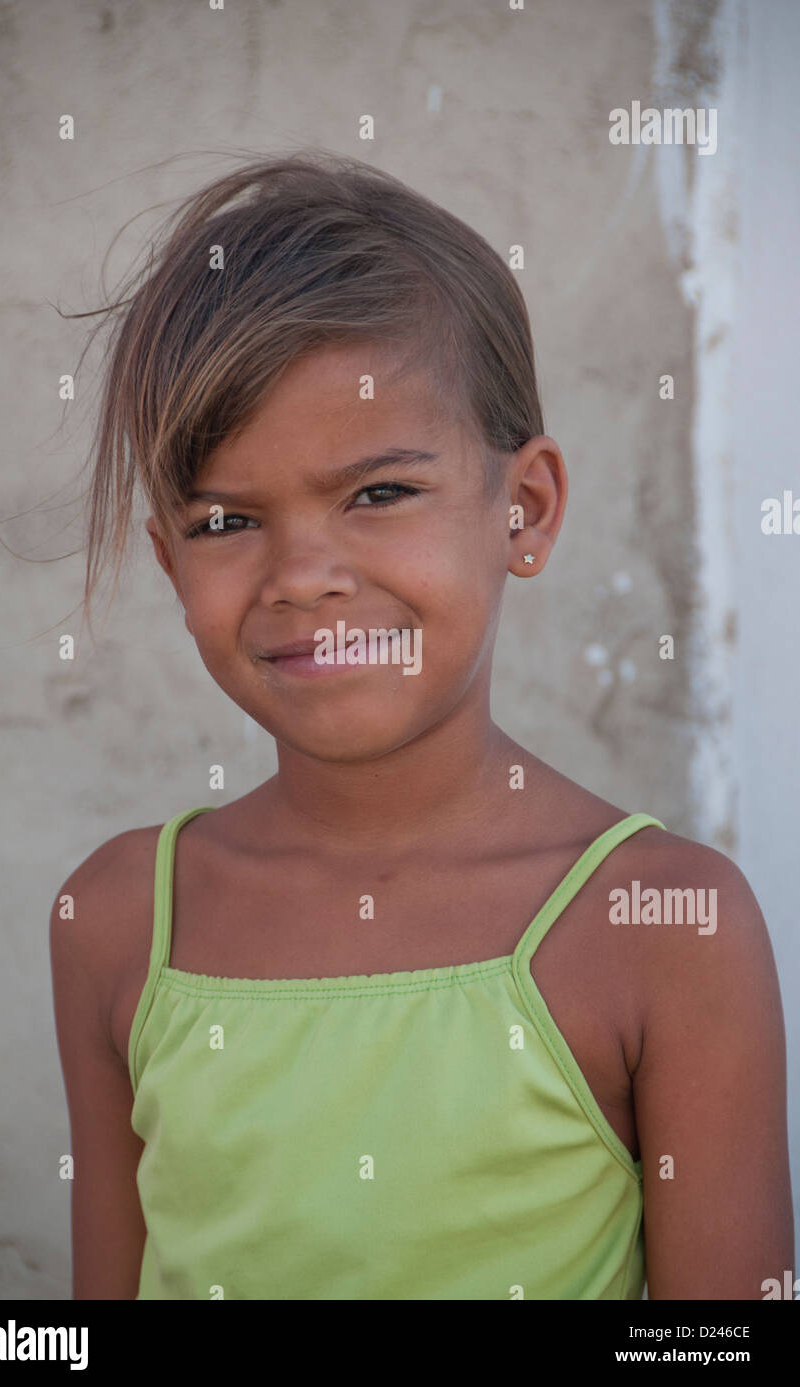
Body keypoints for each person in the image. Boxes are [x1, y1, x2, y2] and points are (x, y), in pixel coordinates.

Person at [50, 150, 793, 1300]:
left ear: (524, 508)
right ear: (168, 558)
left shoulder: (662, 925)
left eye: (378, 493)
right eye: (227, 518)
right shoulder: (113, 921)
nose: (302, 576)